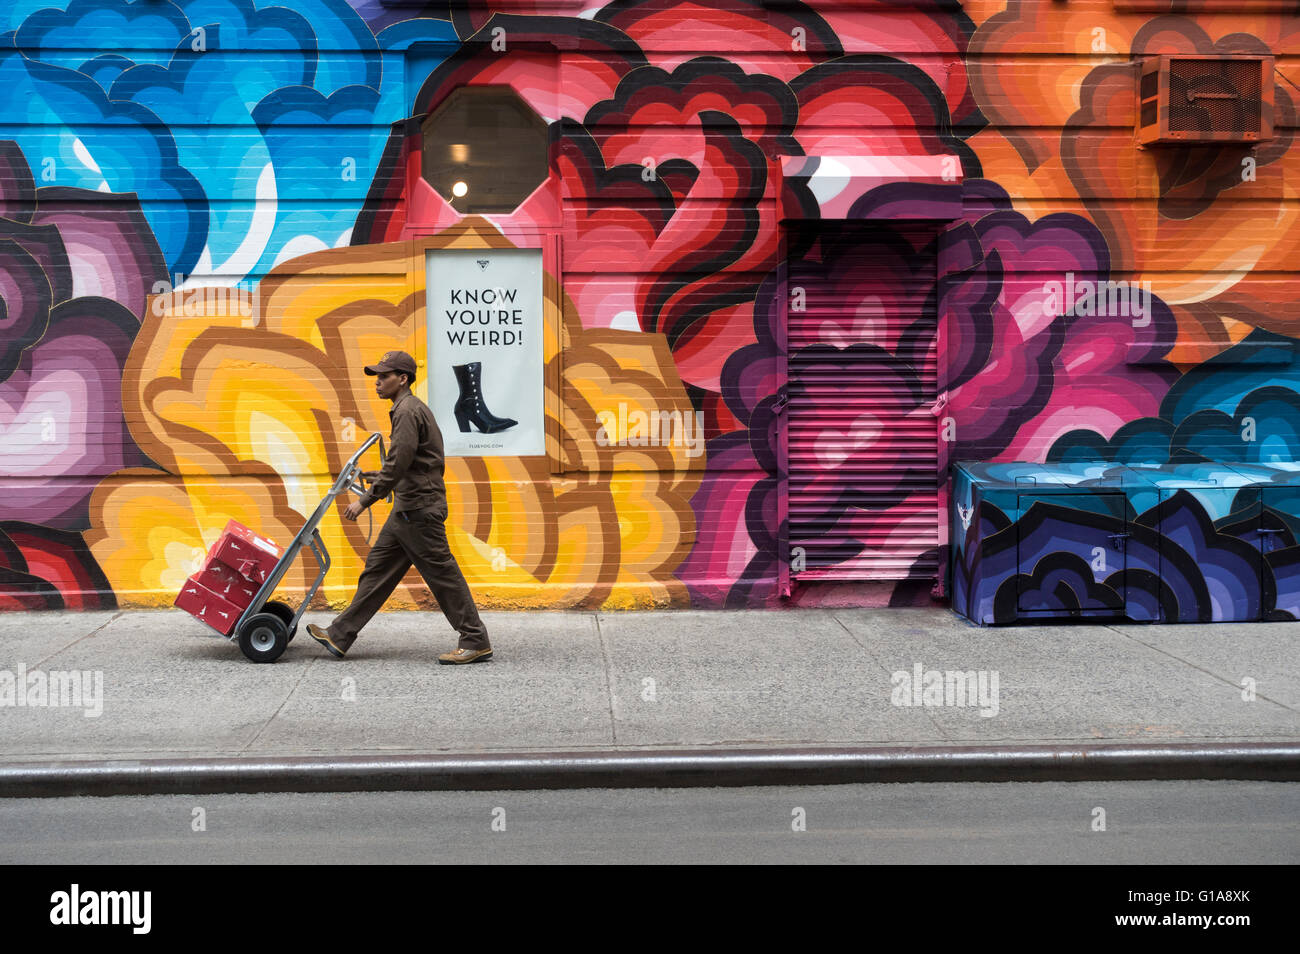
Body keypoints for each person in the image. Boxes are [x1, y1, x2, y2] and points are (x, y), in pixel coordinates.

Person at [306, 350, 493, 664]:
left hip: (419, 511)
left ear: (402, 378)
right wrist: (378, 475)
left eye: (384, 376)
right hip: (408, 509)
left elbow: (401, 461)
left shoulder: (407, 411)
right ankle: (340, 635)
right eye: (377, 376)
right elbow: (411, 462)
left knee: (443, 576)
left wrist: (366, 499)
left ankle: (475, 639)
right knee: (377, 573)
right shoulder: (407, 409)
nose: (378, 382)